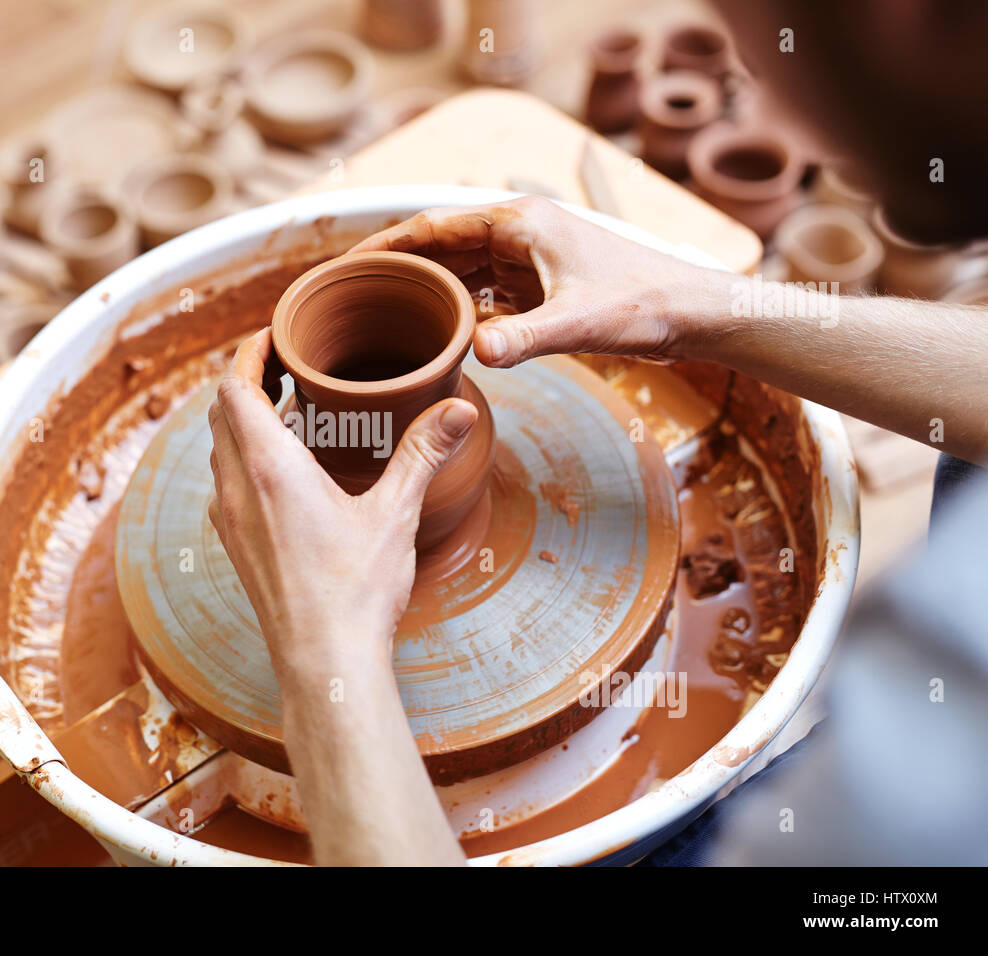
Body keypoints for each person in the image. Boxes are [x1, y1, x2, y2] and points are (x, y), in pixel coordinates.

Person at [206, 1, 988, 866]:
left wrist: (323, 642)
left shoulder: (945, 704)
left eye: (761, 38)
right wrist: (687, 306)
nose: (758, 96)